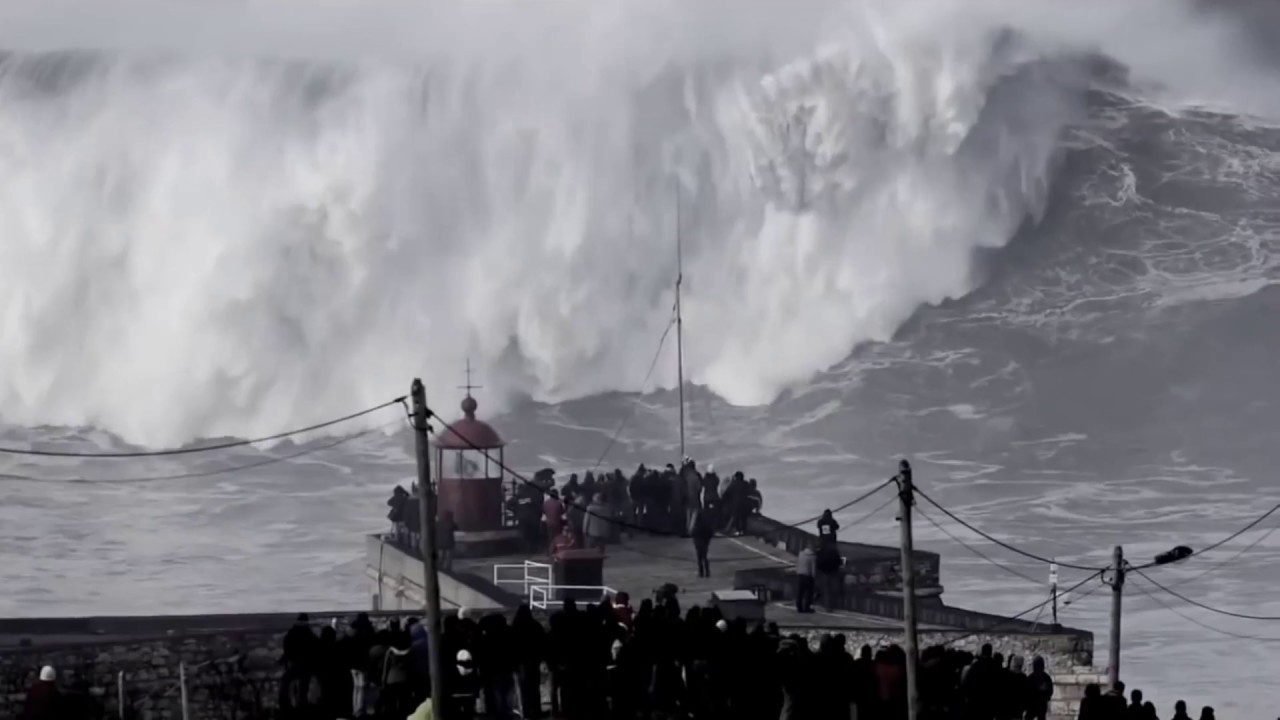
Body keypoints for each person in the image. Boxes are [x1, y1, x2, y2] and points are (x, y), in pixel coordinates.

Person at [690, 501, 716, 577]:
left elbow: (692, 526)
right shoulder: (708, 515)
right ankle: (707, 571)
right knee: (704, 555)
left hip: (699, 535)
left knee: (699, 555)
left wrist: (692, 532)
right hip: (705, 536)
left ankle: (701, 572)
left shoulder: (697, 515)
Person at [1026, 655, 1053, 720]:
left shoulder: (1030, 678)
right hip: (1041, 705)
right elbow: (1050, 691)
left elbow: (1026, 692)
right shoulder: (1046, 677)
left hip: (1033, 705)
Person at [795, 545, 816, 613]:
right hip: (808, 576)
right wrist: (814, 577)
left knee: (800, 593)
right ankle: (807, 608)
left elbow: (797, 564)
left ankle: (799, 607)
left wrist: (797, 571)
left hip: (800, 575)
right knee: (808, 593)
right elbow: (813, 569)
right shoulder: (813, 556)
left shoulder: (800, 554)